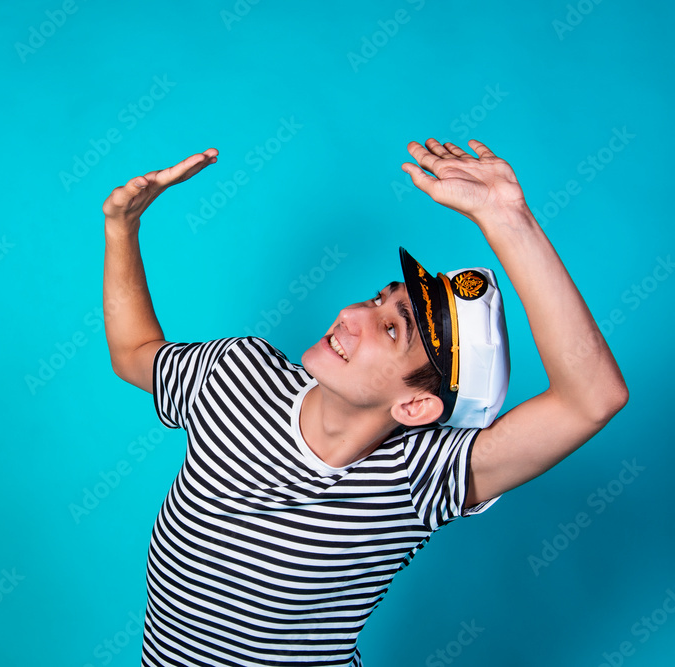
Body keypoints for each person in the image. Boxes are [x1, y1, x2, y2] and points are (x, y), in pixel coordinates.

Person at [101, 139, 628, 666]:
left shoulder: (417, 477)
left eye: (392, 329)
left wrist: (508, 219)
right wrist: (122, 230)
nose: (354, 315)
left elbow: (593, 399)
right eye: (379, 298)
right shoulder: (237, 375)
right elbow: (134, 355)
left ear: (416, 407)